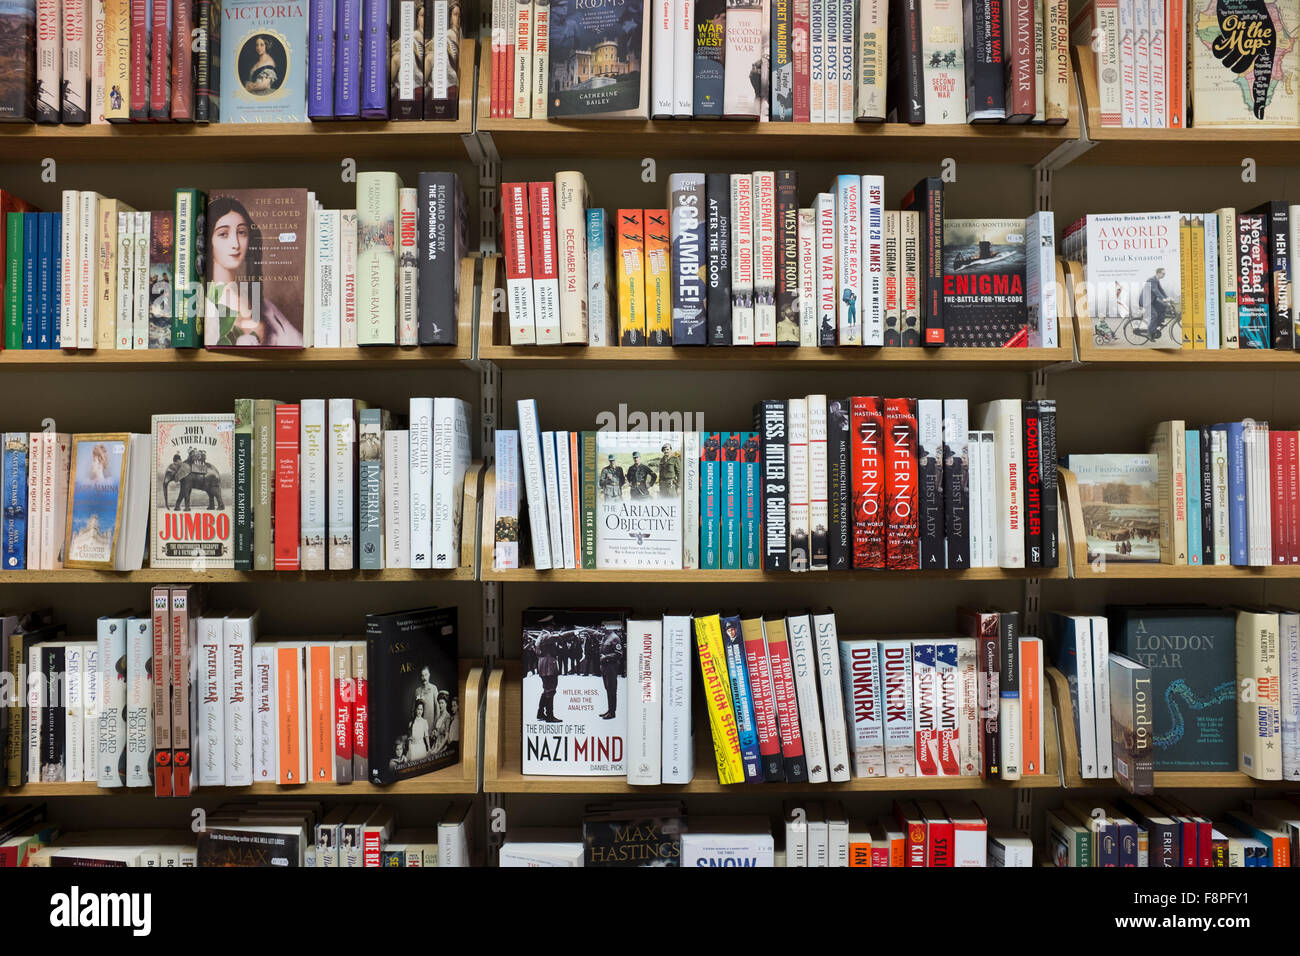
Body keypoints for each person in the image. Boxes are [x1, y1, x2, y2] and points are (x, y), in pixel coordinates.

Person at [204, 196, 302, 347]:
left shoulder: (265, 306)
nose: (235, 244)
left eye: (242, 232)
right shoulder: (202, 304)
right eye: (223, 234)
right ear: (208, 240)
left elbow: (299, 343)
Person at [598, 629, 623, 720]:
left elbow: (619, 653)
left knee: (612, 689)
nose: (602, 627)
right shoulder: (606, 637)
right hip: (605, 667)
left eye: (604, 625)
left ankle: (612, 712)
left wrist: (606, 657)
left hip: (611, 666)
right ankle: (609, 710)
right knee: (608, 689)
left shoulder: (615, 638)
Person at [1140, 267, 1172, 339]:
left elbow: (1161, 291)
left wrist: (1167, 298)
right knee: (1154, 315)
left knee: (1163, 305)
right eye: (1163, 274)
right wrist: (1163, 299)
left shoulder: (1156, 280)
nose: (1164, 275)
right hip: (1146, 301)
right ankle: (1149, 332)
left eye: (1165, 274)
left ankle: (1158, 323)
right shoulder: (1152, 280)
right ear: (1158, 273)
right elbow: (1156, 291)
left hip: (1151, 300)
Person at [536, 635, 561, 723]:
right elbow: (560, 637)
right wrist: (575, 632)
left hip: (543, 665)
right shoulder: (547, 636)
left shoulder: (541, 636)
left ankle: (540, 713)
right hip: (548, 666)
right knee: (551, 690)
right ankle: (550, 716)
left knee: (546, 690)